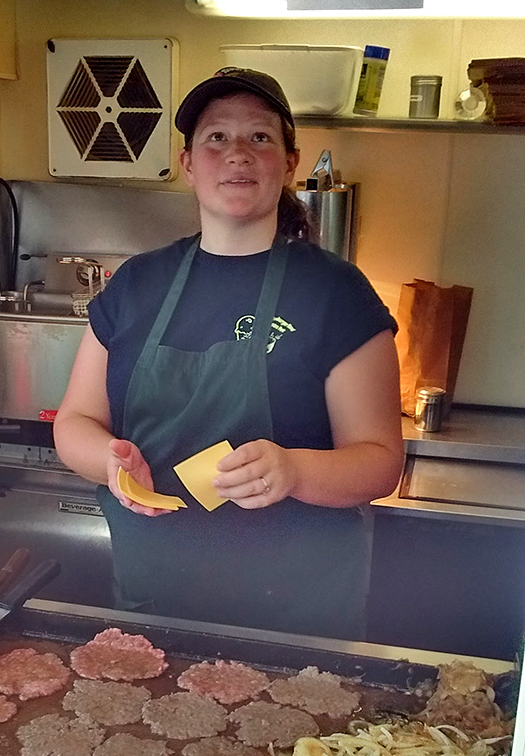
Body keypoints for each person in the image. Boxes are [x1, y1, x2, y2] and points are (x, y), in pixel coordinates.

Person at [54, 67, 403, 639]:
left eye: (259, 137)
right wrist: (110, 464)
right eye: (216, 137)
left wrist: (294, 470)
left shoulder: (337, 293)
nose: (237, 153)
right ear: (188, 163)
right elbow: (76, 421)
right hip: (151, 606)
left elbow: (380, 460)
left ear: (289, 162)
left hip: (297, 617)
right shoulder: (136, 285)